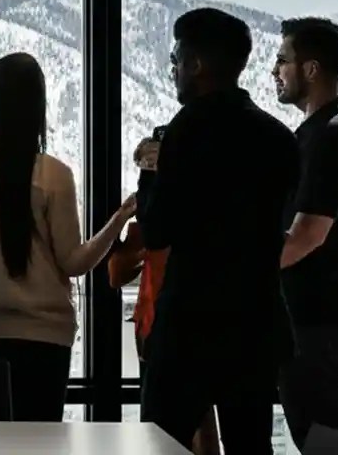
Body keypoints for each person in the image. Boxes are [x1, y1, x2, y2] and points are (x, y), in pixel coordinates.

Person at [137, 8, 299, 454]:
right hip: (254, 323)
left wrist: (151, 170)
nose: (173, 69)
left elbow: (157, 230)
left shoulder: (183, 134)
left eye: (176, 58)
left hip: (190, 324)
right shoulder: (278, 139)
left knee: (161, 443)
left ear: (197, 64)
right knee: (250, 443)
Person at [0, 52, 136, 421]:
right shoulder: (54, 174)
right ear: (38, 105)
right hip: (45, 339)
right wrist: (120, 218)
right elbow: (73, 262)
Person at [273, 17, 338, 449]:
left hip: (315, 318)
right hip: (308, 314)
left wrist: (245, 269)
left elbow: (307, 233)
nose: (275, 71)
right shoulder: (320, 132)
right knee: (316, 436)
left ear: (311, 69)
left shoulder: (336, 136)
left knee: (320, 439)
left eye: (282, 60)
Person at [108, 130, 219, 455]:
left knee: (193, 425)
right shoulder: (149, 219)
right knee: (166, 427)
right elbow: (116, 274)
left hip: (188, 330)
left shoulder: (202, 211)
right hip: (154, 331)